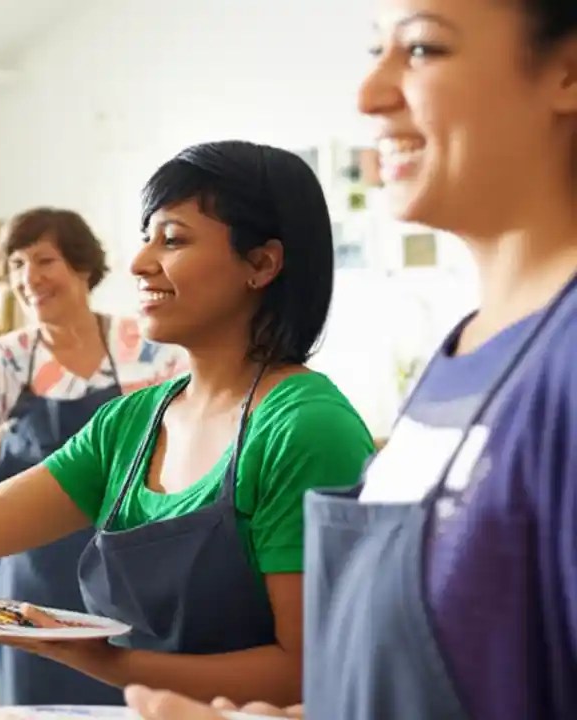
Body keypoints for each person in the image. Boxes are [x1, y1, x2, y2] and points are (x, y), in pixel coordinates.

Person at [0, 140, 376, 705]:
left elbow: (309, 669)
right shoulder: (134, 421)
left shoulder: (302, 429)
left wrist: (109, 663)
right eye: (145, 238)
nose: (140, 262)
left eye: (173, 239)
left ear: (262, 264)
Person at [126, 0, 577, 718]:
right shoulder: (464, 357)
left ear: (566, 71)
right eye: (376, 51)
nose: (369, 95)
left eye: (424, 49)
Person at [0, 207, 186, 706]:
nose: (30, 278)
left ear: (82, 266)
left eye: (44, 260)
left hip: (129, 581)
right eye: (17, 265)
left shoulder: (146, 347)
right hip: (32, 585)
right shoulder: (7, 357)